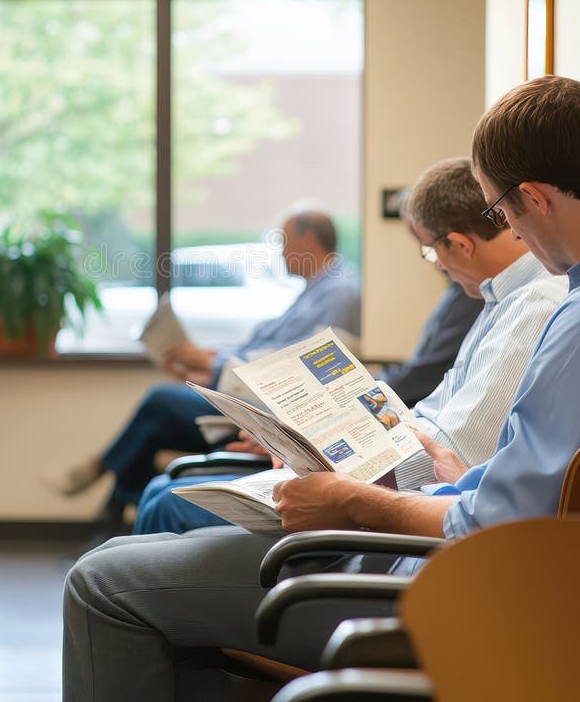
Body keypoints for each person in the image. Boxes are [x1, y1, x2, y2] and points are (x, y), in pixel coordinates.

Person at [62, 76, 580, 701]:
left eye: (502, 212)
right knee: (142, 554)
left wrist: (352, 499)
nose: (513, 234)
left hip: (441, 582)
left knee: (100, 581)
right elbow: (493, 474)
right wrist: (437, 468)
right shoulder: (542, 305)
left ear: (532, 198)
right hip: (442, 553)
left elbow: (494, 522)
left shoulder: (561, 318)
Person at [130, 157, 566, 535]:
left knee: (163, 506)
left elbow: (451, 454)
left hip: (386, 506)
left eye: (431, 254)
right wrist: (316, 441)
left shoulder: (532, 304)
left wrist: (338, 465)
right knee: (159, 494)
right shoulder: (495, 299)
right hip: (379, 487)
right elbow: (429, 416)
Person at [49, 209, 361, 522]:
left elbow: (298, 363)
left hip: (260, 408)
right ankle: (112, 515)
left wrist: (214, 363)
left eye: (285, 241)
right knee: (153, 427)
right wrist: (206, 368)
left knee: (158, 403)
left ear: (309, 239)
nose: (280, 251)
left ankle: (104, 486)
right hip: (241, 391)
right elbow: (260, 352)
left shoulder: (339, 292)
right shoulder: (313, 292)